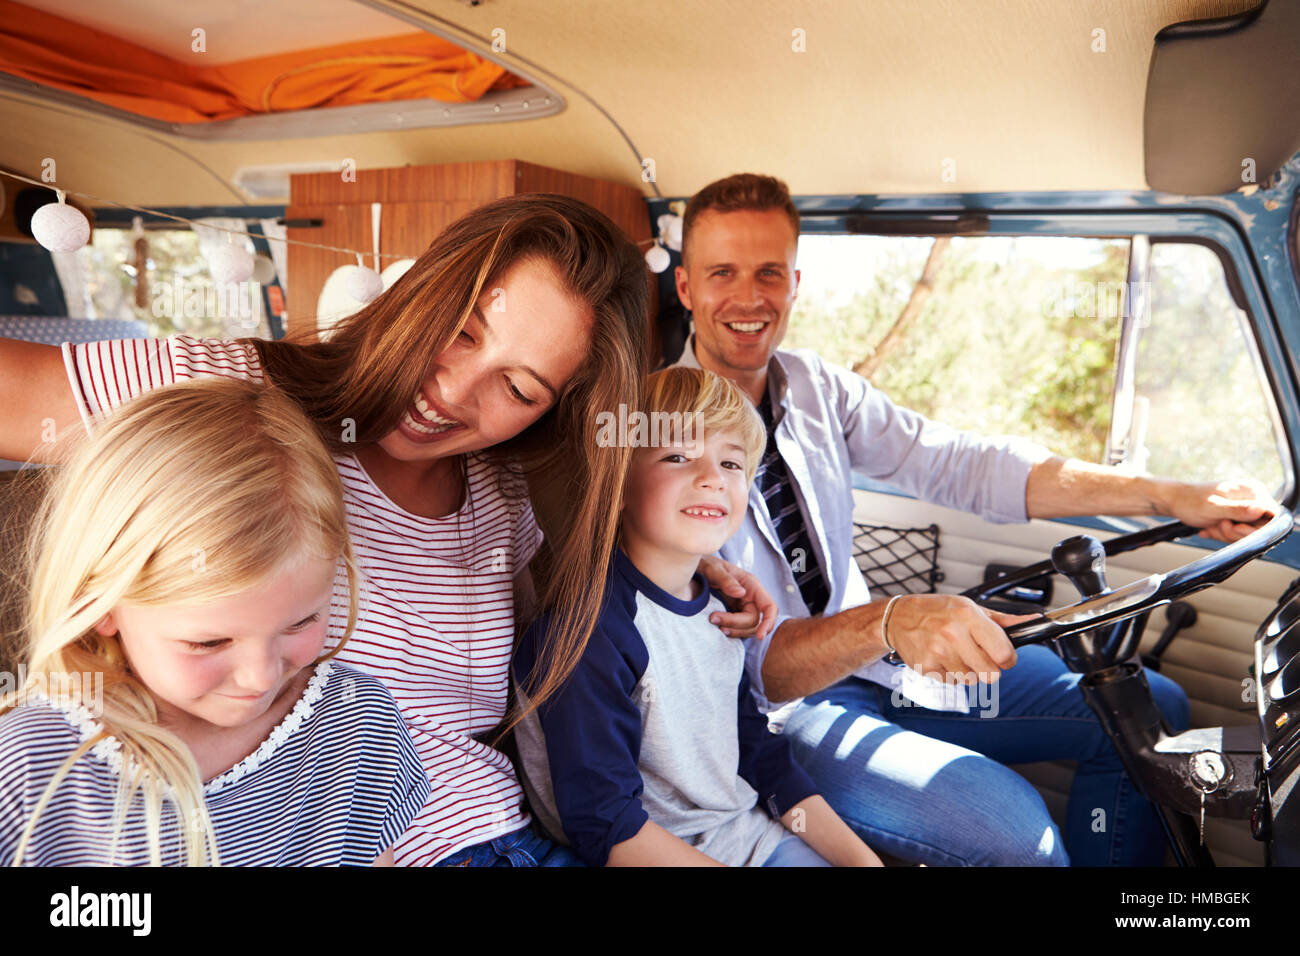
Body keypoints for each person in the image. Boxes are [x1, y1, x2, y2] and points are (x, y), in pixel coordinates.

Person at [0, 193, 774, 866]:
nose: (454, 390)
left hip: (528, 835)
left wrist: (697, 567)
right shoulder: (227, 397)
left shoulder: (507, 493)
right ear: (425, 290)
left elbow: (609, 574)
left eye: (518, 386)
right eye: (464, 331)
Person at [668, 172, 1279, 866]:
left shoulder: (817, 389)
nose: (749, 298)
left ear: (795, 283)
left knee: (1150, 710)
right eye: (723, 272)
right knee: (1025, 842)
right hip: (788, 717)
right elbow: (758, 669)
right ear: (687, 287)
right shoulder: (658, 438)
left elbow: (965, 464)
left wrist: (1168, 495)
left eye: (768, 273)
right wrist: (890, 620)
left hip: (887, 669)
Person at [0, 377, 429, 866]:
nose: (261, 676)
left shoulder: (360, 722)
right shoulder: (32, 765)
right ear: (100, 606)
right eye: (208, 642)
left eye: (300, 622)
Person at [514, 366, 882, 866]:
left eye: (732, 464)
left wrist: (863, 862)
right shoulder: (590, 631)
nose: (711, 478)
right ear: (617, 483)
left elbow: (759, 755)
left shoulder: (722, 611)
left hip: (748, 837)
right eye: (677, 456)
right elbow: (606, 824)